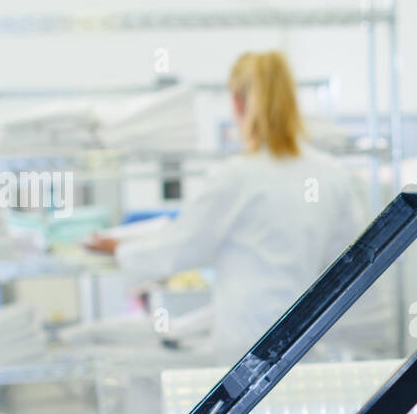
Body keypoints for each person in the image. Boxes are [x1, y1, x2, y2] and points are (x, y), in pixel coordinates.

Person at [87, 51, 392, 363]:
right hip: (307, 341)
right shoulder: (331, 174)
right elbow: (353, 262)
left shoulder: (236, 176)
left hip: (246, 344)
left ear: (237, 103)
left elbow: (184, 244)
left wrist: (120, 249)